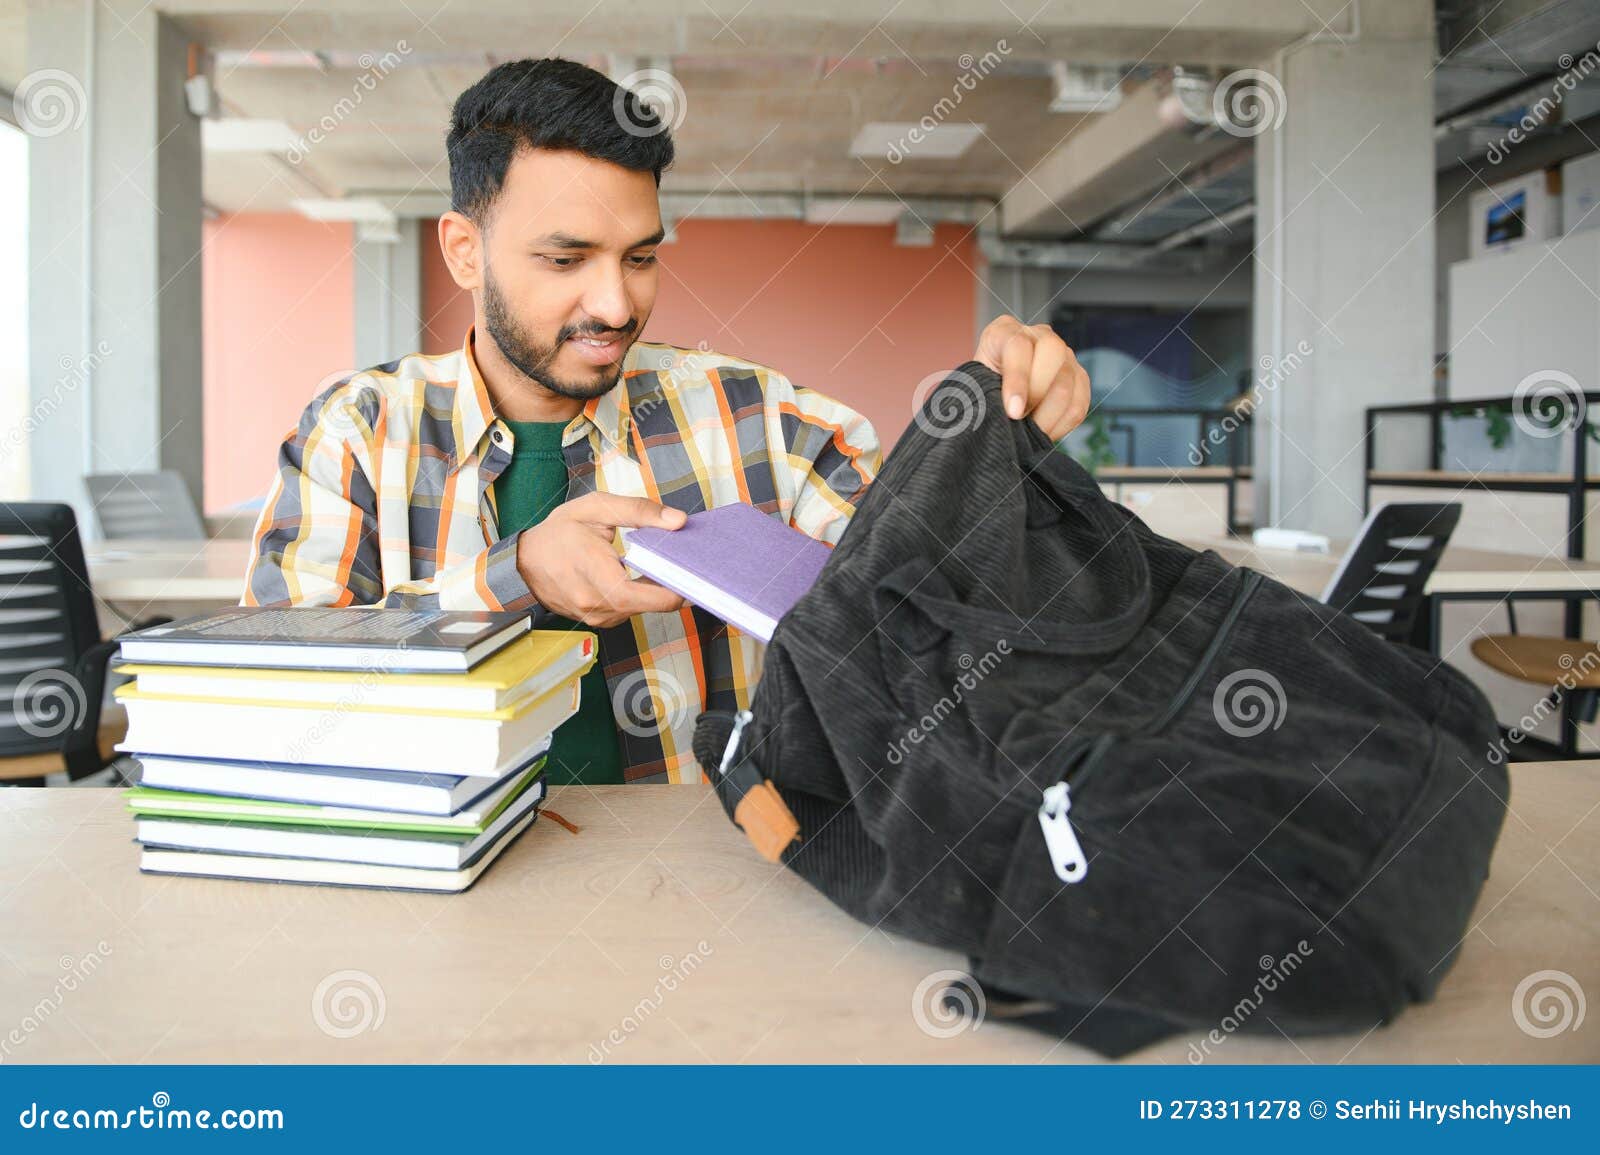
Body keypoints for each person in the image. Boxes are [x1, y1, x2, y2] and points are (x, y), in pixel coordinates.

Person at [244, 57, 1092, 785]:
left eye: (641, 257)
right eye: (566, 258)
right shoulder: (355, 429)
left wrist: (1000, 455)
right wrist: (519, 578)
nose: (616, 303)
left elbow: (925, 618)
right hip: (433, 886)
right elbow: (266, 694)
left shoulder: (769, 423)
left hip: (712, 885)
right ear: (465, 249)